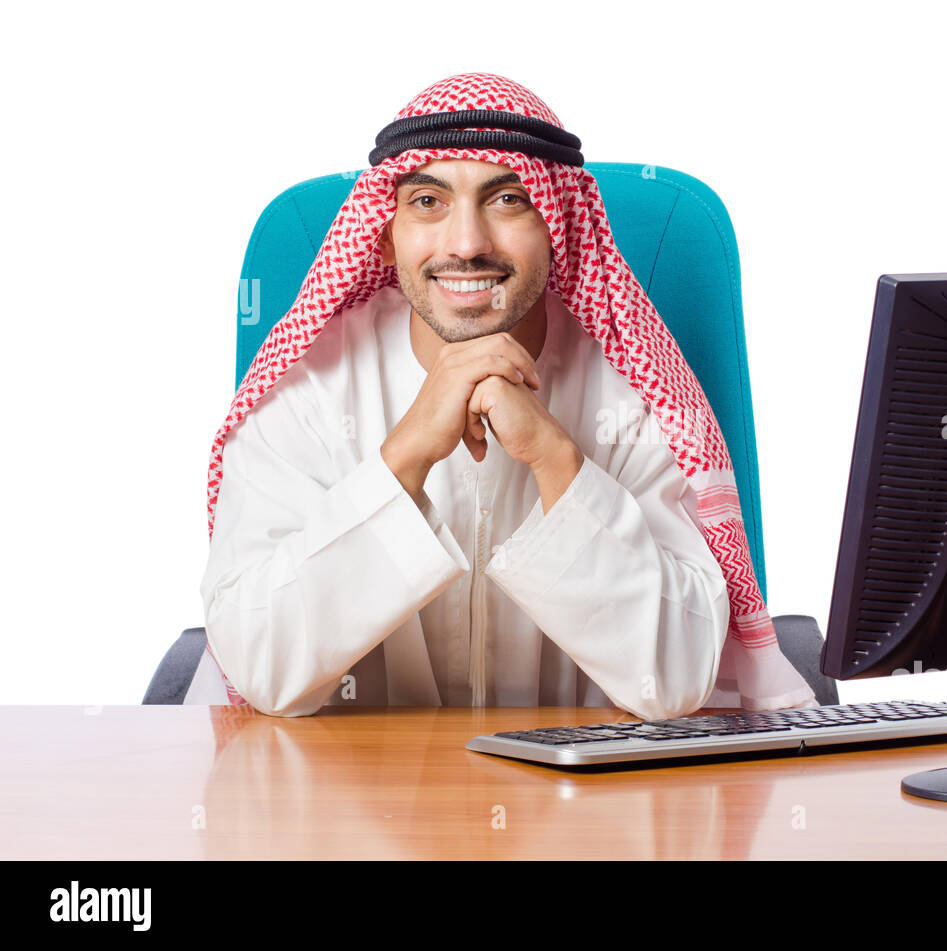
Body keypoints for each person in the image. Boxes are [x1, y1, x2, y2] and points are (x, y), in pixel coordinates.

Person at [190, 72, 817, 718]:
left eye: (507, 198)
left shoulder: (633, 393)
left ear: (559, 225)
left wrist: (556, 460)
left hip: (593, 811)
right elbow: (257, 662)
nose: (466, 244)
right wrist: (400, 460)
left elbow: (680, 677)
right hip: (354, 810)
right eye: (429, 202)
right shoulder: (310, 387)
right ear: (385, 232)